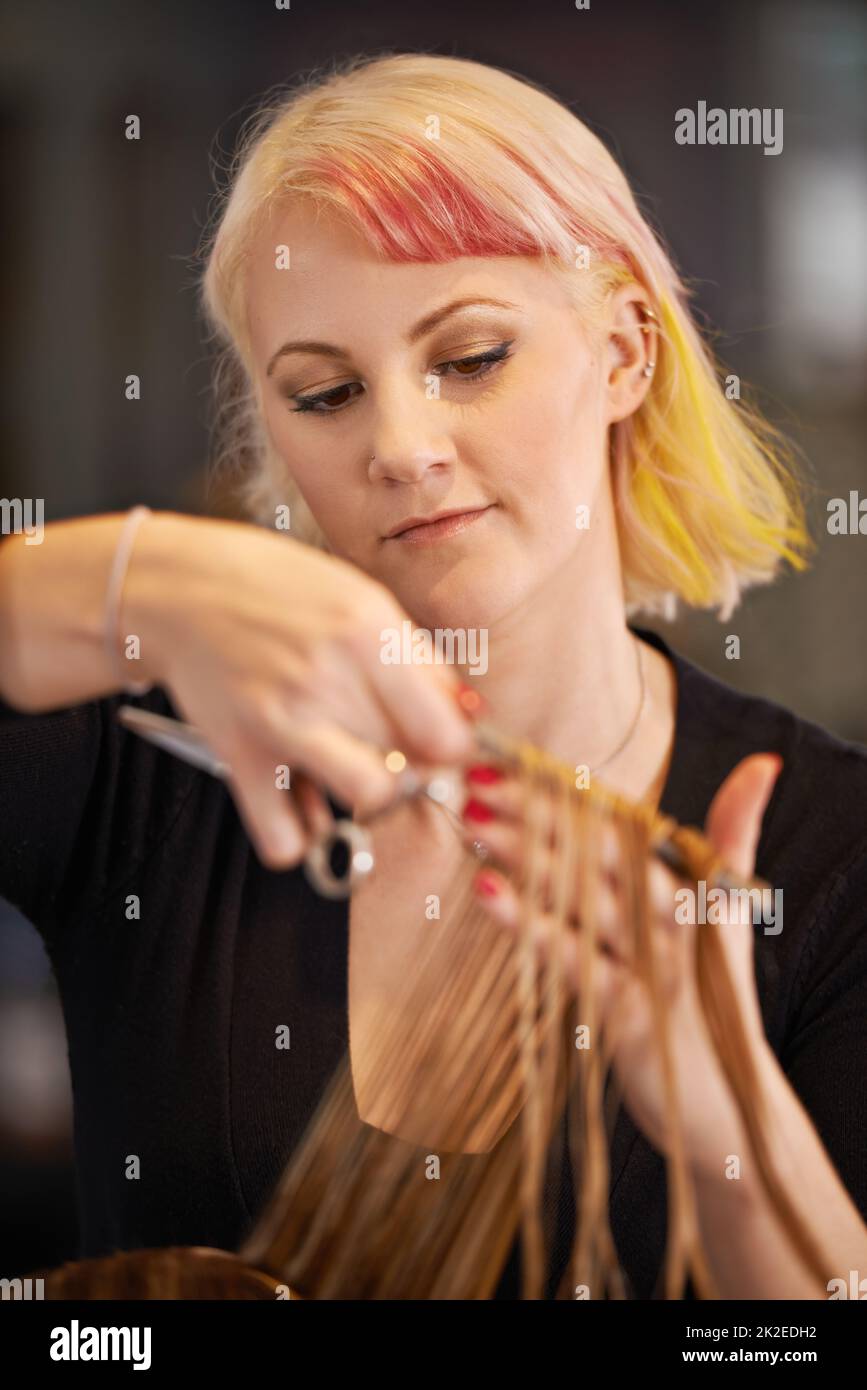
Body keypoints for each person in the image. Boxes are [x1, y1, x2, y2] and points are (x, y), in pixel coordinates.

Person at [1, 51, 865, 1300]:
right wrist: (120, 579)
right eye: (327, 392)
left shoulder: (829, 855)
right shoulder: (142, 766)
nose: (401, 448)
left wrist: (730, 1126)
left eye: (470, 359)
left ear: (624, 352)